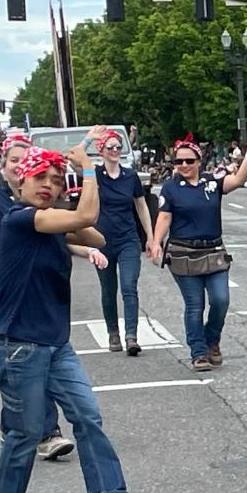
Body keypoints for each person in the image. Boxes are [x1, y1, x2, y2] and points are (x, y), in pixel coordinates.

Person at [0, 144, 148, 493]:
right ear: (20, 181)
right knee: (25, 431)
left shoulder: (48, 223)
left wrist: (72, 213)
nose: (48, 185)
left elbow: (96, 237)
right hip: (20, 344)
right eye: (40, 177)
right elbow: (87, 215)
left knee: (87, 415)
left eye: (56, 181)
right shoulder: (19, 218)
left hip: (56, 343)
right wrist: (87, 167)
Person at [0, 117, 82, 462]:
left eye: (27, 159)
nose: (21, 165)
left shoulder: (44, 201)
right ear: (4, 166)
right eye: (14, 160)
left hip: (39, 286)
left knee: (34, 355)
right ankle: (43, 431)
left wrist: (86, 248)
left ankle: (21, 426)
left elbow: (67, 234)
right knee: (27, 354)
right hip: (1, 290)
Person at [151, 133, 247, 372]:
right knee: (195, 305)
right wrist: (156, 242)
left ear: (199, 161)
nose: (184, 165)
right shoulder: (171, 187)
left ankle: (211, 339)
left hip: (214, 250)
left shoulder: (212, 181)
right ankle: (198, 352)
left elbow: (238, 179)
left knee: (221, 300)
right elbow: (164, 217)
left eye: (189, 161)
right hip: (183, 253)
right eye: (178, 161)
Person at [89, 127, 154, 355]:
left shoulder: (130, 176)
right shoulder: (94, 175)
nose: (115, 150)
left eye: (118, 147)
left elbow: (141, 206)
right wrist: (88, 139)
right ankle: (113, 333)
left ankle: (131, 336)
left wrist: (150, 237)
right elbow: (74, 158)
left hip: (128, 238)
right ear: (101, 151)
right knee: (109, 290)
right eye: (110, 147)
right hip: (102, 241)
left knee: (129, 286)